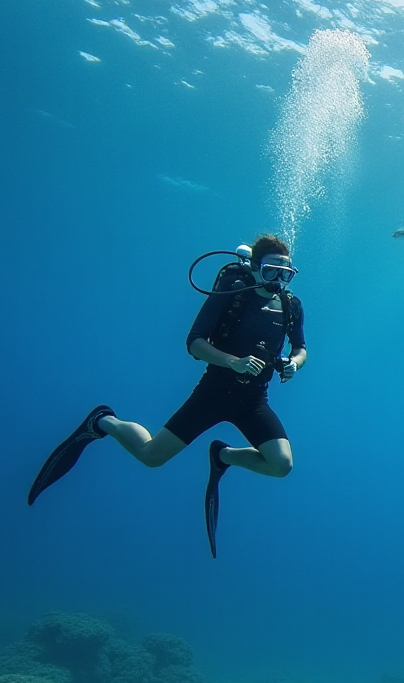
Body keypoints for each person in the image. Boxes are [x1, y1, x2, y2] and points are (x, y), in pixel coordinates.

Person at [28, 234, 307, 557]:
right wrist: (234, 362)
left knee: (281, 465)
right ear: (256, 268)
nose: (278, 281)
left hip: (254, 400)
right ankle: (103, 421)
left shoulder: (290, 306)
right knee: (151, 456)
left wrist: (294, 365)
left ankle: (223, 456)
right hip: (213, 394)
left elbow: (300, 347)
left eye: (285, 274)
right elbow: (194, 342)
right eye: (271, 272)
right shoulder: (231, 293)